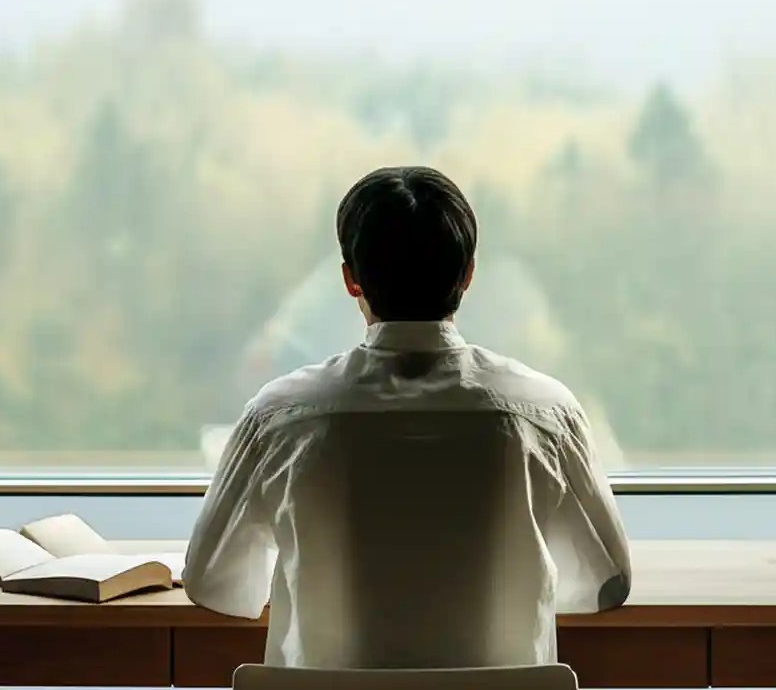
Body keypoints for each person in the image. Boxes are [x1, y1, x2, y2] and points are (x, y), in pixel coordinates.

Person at [184, 166, 631, 668]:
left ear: (351, 279)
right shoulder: (546, 416)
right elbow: (605, 583)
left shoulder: (278, 418)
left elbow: (215, 584)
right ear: (467, 275)